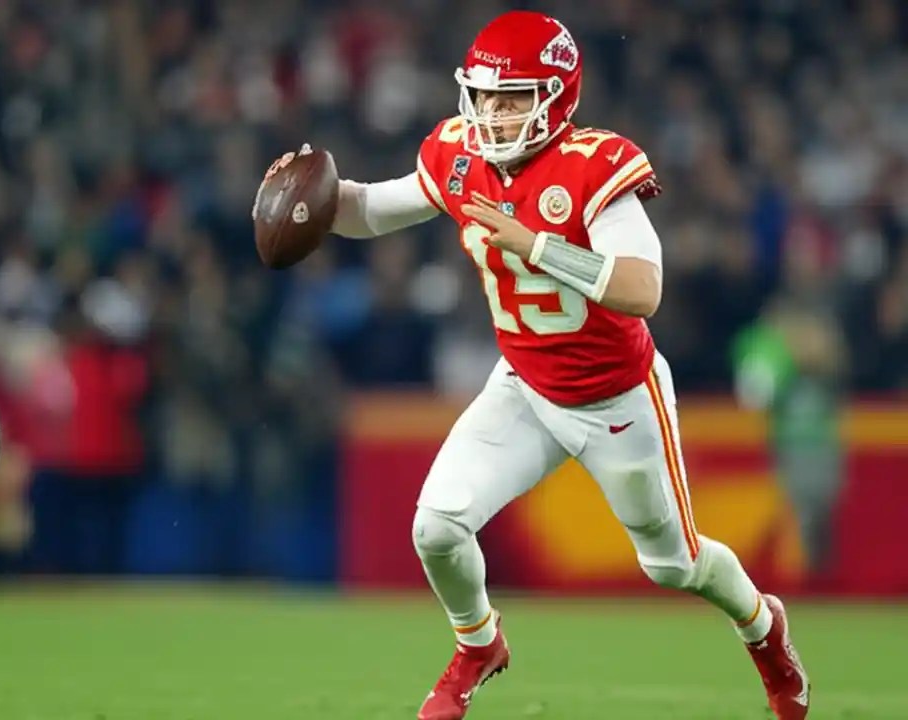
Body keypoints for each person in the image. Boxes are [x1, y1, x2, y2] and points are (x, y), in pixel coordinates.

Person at [257, 11, 808, 720]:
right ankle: (478, 644)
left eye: (514, 96)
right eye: (485, 95)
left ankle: (764, 628)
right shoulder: (460, 155)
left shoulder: (594, 165)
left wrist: (537, 245)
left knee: (674, 563)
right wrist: (312, 200)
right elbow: (374, 210)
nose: (493, 111)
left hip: (617, 401)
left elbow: (643, 289)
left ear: (557, 97)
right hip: (524, 385)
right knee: (436, 526)